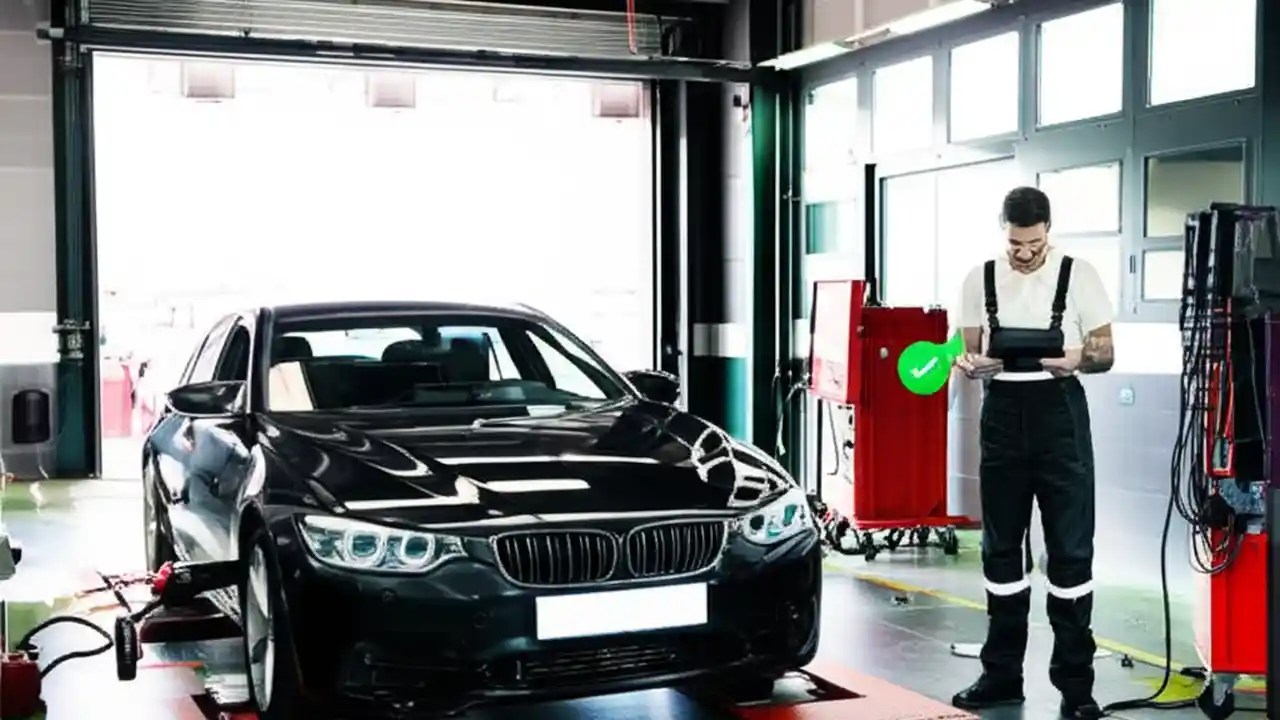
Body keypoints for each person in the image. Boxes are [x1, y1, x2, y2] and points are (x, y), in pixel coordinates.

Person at [949, 186, 1115, 719]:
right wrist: (967, 364)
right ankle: (1001, 678)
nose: (1024, 254)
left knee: (1070, 551)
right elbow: (964, 348)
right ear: (1004, 232)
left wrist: (1075, 359)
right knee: (1001, 552)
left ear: (1049, 230)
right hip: (1002, 414)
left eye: (1034, 244)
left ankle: (1076, 686)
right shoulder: (980, 277)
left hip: (1059, 412)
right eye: (1016, 244)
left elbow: (1105, 352)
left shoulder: (1078, 273)